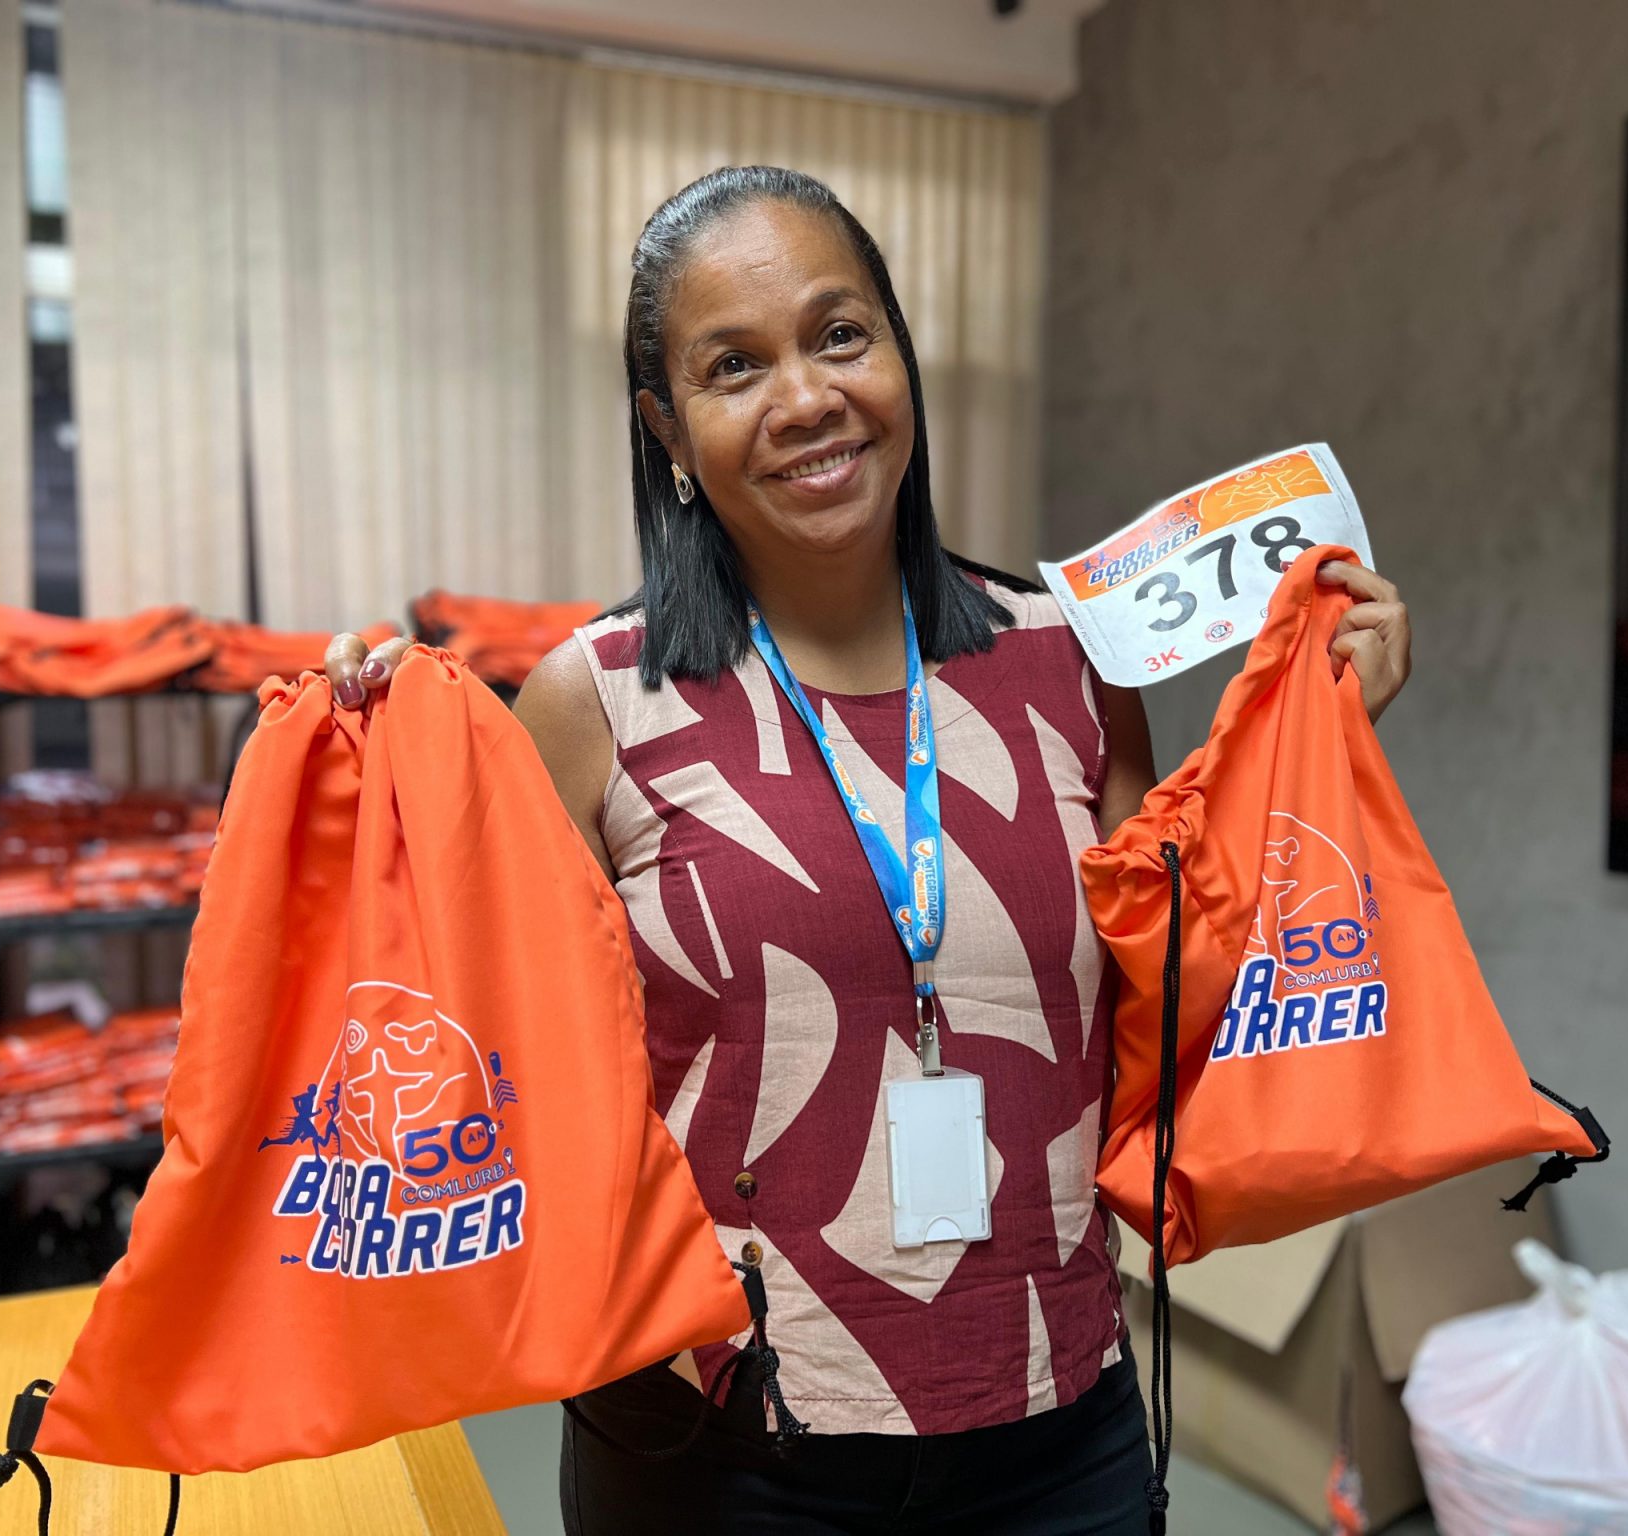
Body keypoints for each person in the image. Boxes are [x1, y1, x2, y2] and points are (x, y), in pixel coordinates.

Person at [326, 165, 1412, 1535]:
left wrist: (1323, 746)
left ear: (900, 351)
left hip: (1054, 1420)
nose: (805, 398)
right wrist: (374, 789)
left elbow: (1178, 1005)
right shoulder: (594, 699)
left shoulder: (1067, 665)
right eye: (734, 365)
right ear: (666, 425)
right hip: (714, 1441)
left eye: (842, 334)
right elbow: (486, 1041)